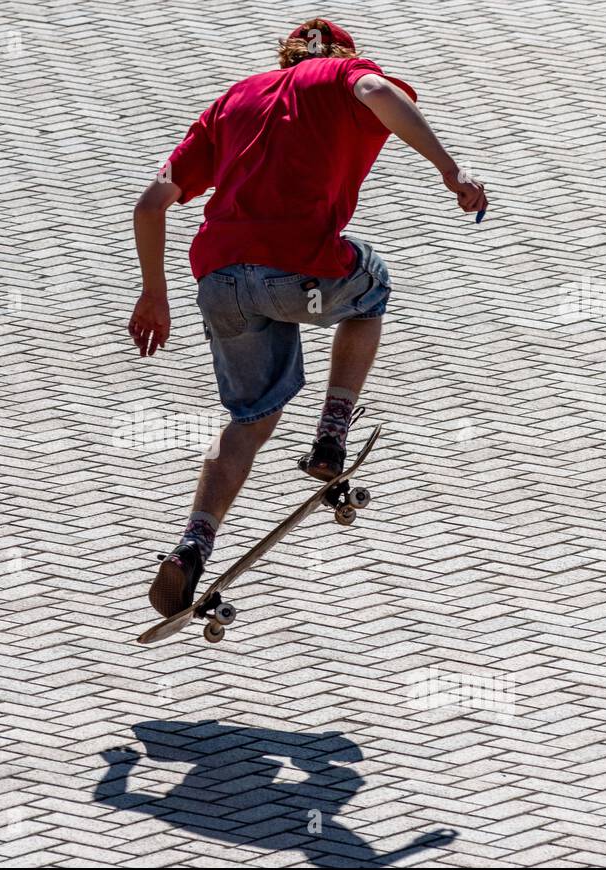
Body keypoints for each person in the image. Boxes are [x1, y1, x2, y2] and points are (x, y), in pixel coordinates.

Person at [130, 18, 488, 617]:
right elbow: (376, 95)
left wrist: (154, 294)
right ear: (347, 57)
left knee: (248, 419)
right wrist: (451, 171)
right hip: (301, 274)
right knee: (371, 289)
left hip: (222, 282)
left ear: (284, 58)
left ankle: (193, 544)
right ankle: (332, 430)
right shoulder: (345, 75)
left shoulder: (233, 101)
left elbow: (150, 203)